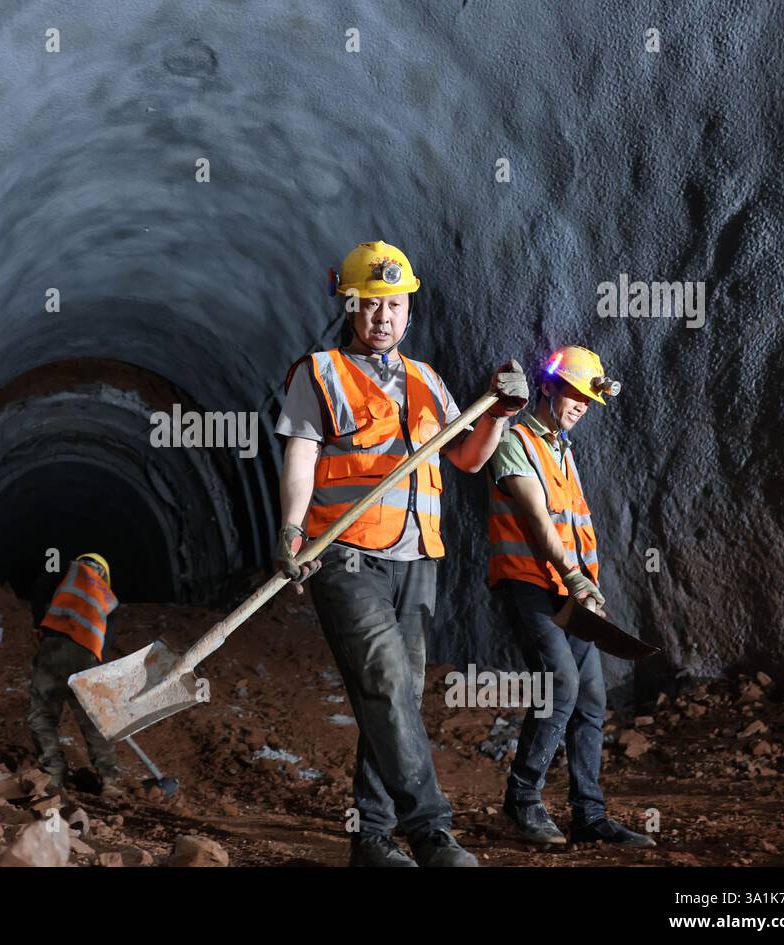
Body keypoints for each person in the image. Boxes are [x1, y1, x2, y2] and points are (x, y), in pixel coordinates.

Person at [274, 240, 528, 866]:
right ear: (350, 307)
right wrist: (291, 529)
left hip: (418, 555)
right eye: (369, 304)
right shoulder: (321, 372)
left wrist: (499, 413)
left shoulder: (427, 381)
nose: (383, 316)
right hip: (345, 554)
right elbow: (302, 454)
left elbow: (466, 457)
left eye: (394, 304)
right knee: (386, 678)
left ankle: (370, 838)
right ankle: (430, 831)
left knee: (395, 695)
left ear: (409, 309)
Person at [487, 345, 654, 848]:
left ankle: (589, 815)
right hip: (528, 582)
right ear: (548, 386)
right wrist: (574, 576)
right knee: (559, 683)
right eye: (574, 395)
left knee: (590, 698)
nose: (580, 406)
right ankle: (522, 800)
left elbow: (573, 525)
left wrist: (585, 583)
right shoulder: (514, 440)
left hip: (569, 588)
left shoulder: (563, 449)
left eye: (587, 400)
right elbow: (537, 520)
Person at [27, 553, 122, 796]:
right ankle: (110, 780)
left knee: (42, 716)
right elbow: (104, 643)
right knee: (92, 720)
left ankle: (53, 775)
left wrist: (41, 626)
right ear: (104, 574)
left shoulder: (64, 576)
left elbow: (39, 589)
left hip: (52, 649)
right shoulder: (109, 600)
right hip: (84, 656)